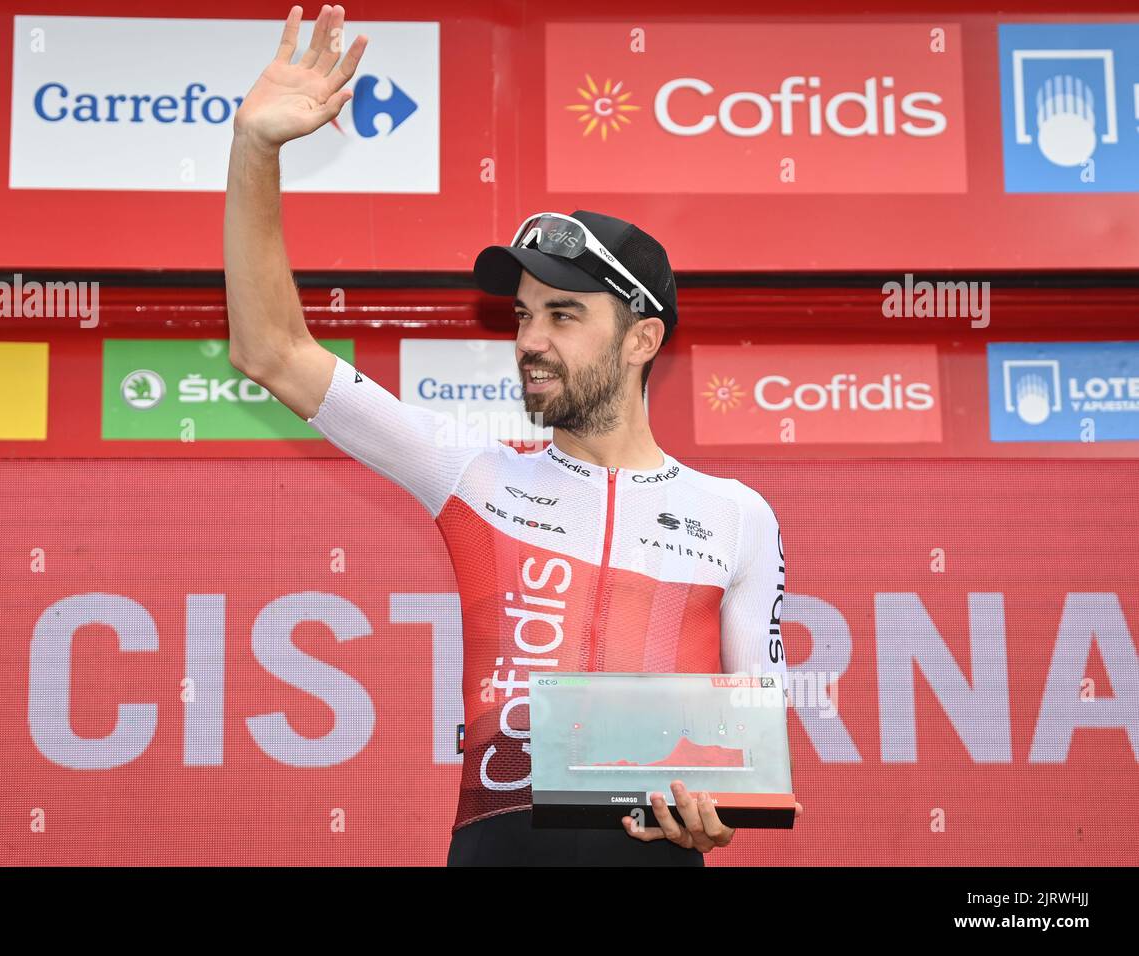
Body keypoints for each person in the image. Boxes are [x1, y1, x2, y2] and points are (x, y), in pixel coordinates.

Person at [224, 3, 801, 866]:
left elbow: (752, 745)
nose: (530, 339)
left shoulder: (738, 515)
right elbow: (272, 350)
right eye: (525, 315)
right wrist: (256, 147)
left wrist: (720, 810)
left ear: (642, 340)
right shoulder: (471, 472)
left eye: (563, 315)